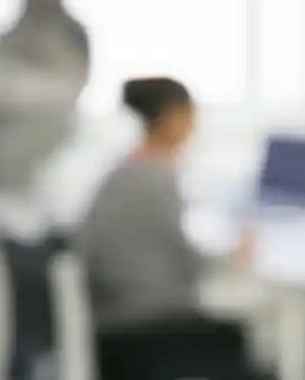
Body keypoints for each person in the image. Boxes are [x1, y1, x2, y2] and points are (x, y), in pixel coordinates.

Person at [77, 77, 256, 380]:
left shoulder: (124, 170)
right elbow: (187, 265)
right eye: (191, 114)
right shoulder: (158, 177)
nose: (195, 126)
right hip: (138, 333)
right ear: (173, 117)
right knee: (237, 337)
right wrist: (232, 255)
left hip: (107, 325)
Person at [0, 0, 90, 191]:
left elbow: (67, 91)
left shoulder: (73, 37)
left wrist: (24, 88)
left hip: (59, 148)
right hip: (9, 155)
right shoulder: (6, 39)